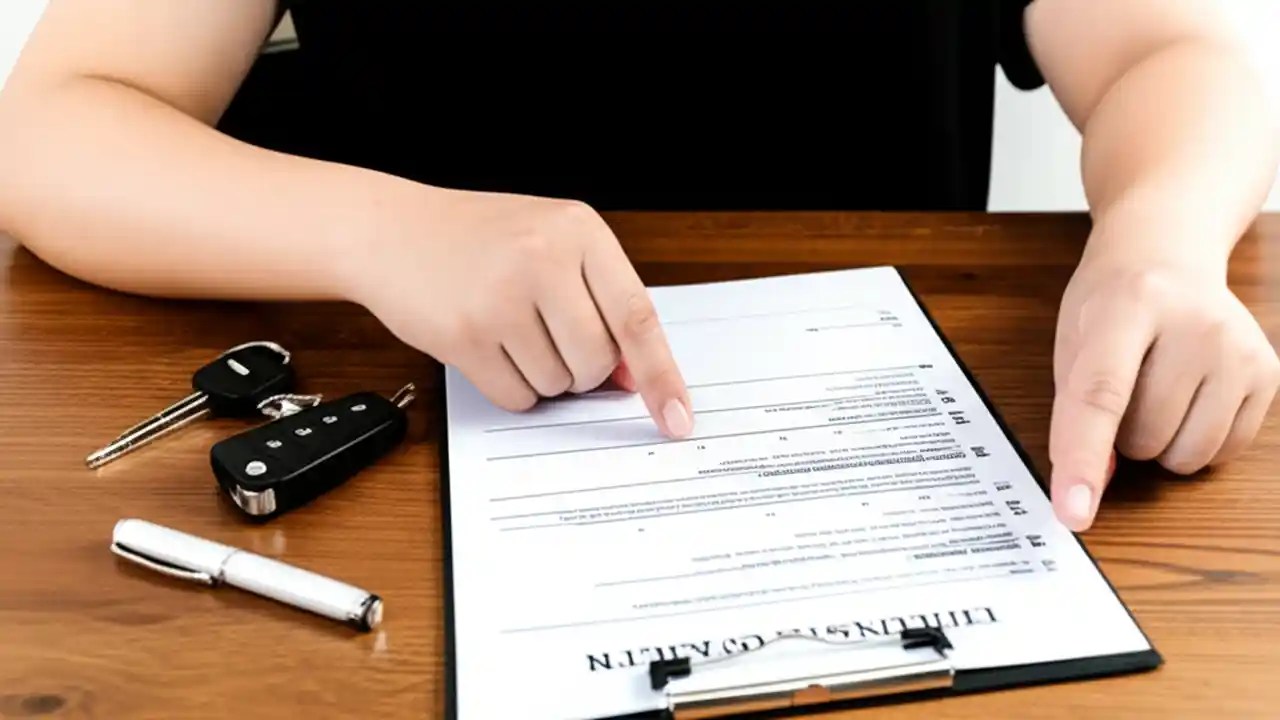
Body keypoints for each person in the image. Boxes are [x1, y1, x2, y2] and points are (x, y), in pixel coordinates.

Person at [0, 1, 1276, 534]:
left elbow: (1172, 55)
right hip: (415, 467)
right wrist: (378, 231)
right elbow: (53, 123)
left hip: (877, 470)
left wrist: (1160, 238)